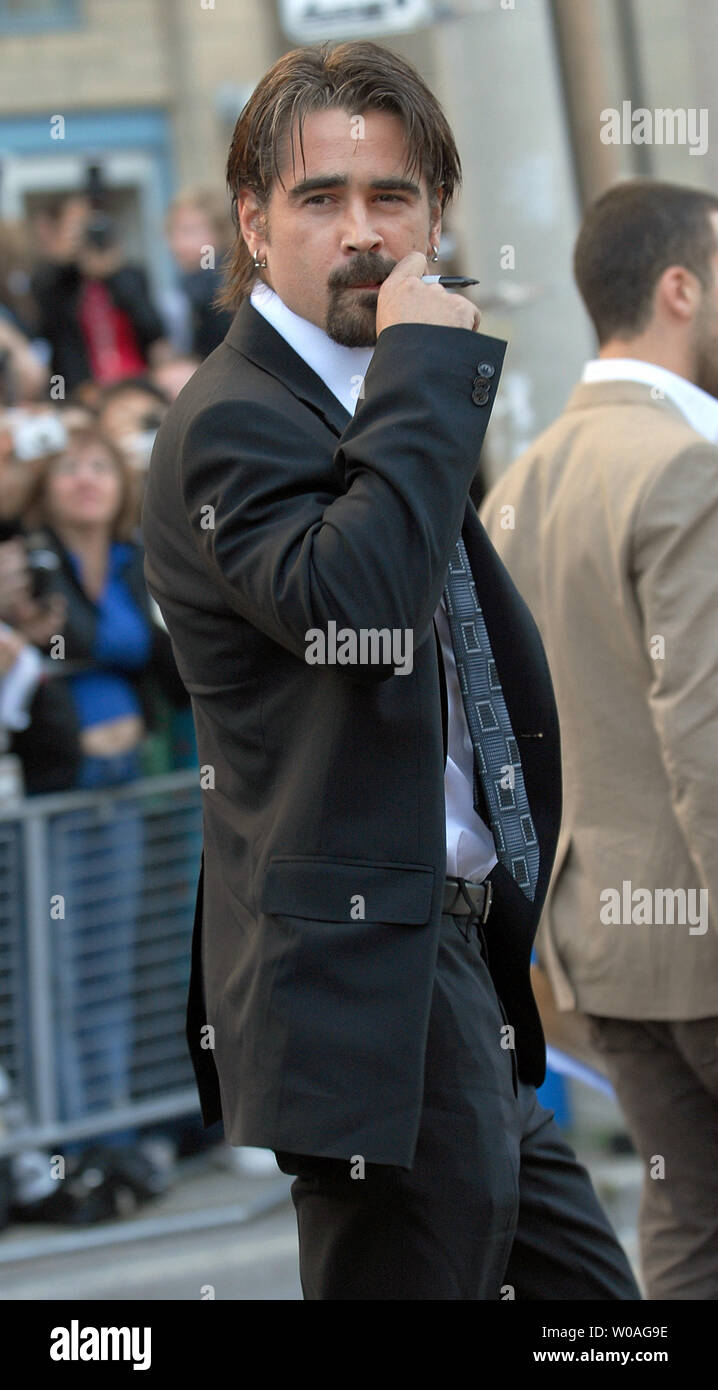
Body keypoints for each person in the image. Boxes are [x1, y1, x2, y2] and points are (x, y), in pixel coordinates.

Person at [141, 40, 640, 1301]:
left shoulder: (366, 397)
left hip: (454, 966)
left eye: (393, 198)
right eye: (320, 200)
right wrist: (428, 373)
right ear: (252, 224)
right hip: (363, 991)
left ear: (434, 217)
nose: (362, 234)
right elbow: (349, 610)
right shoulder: (237, 417)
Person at [480, 178, 718, 1300]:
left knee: (689, 1217)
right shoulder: (683, 466)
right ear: (679, 289)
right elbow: (703, 732)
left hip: (598, 947)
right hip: (699, 933)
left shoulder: (520, 482)